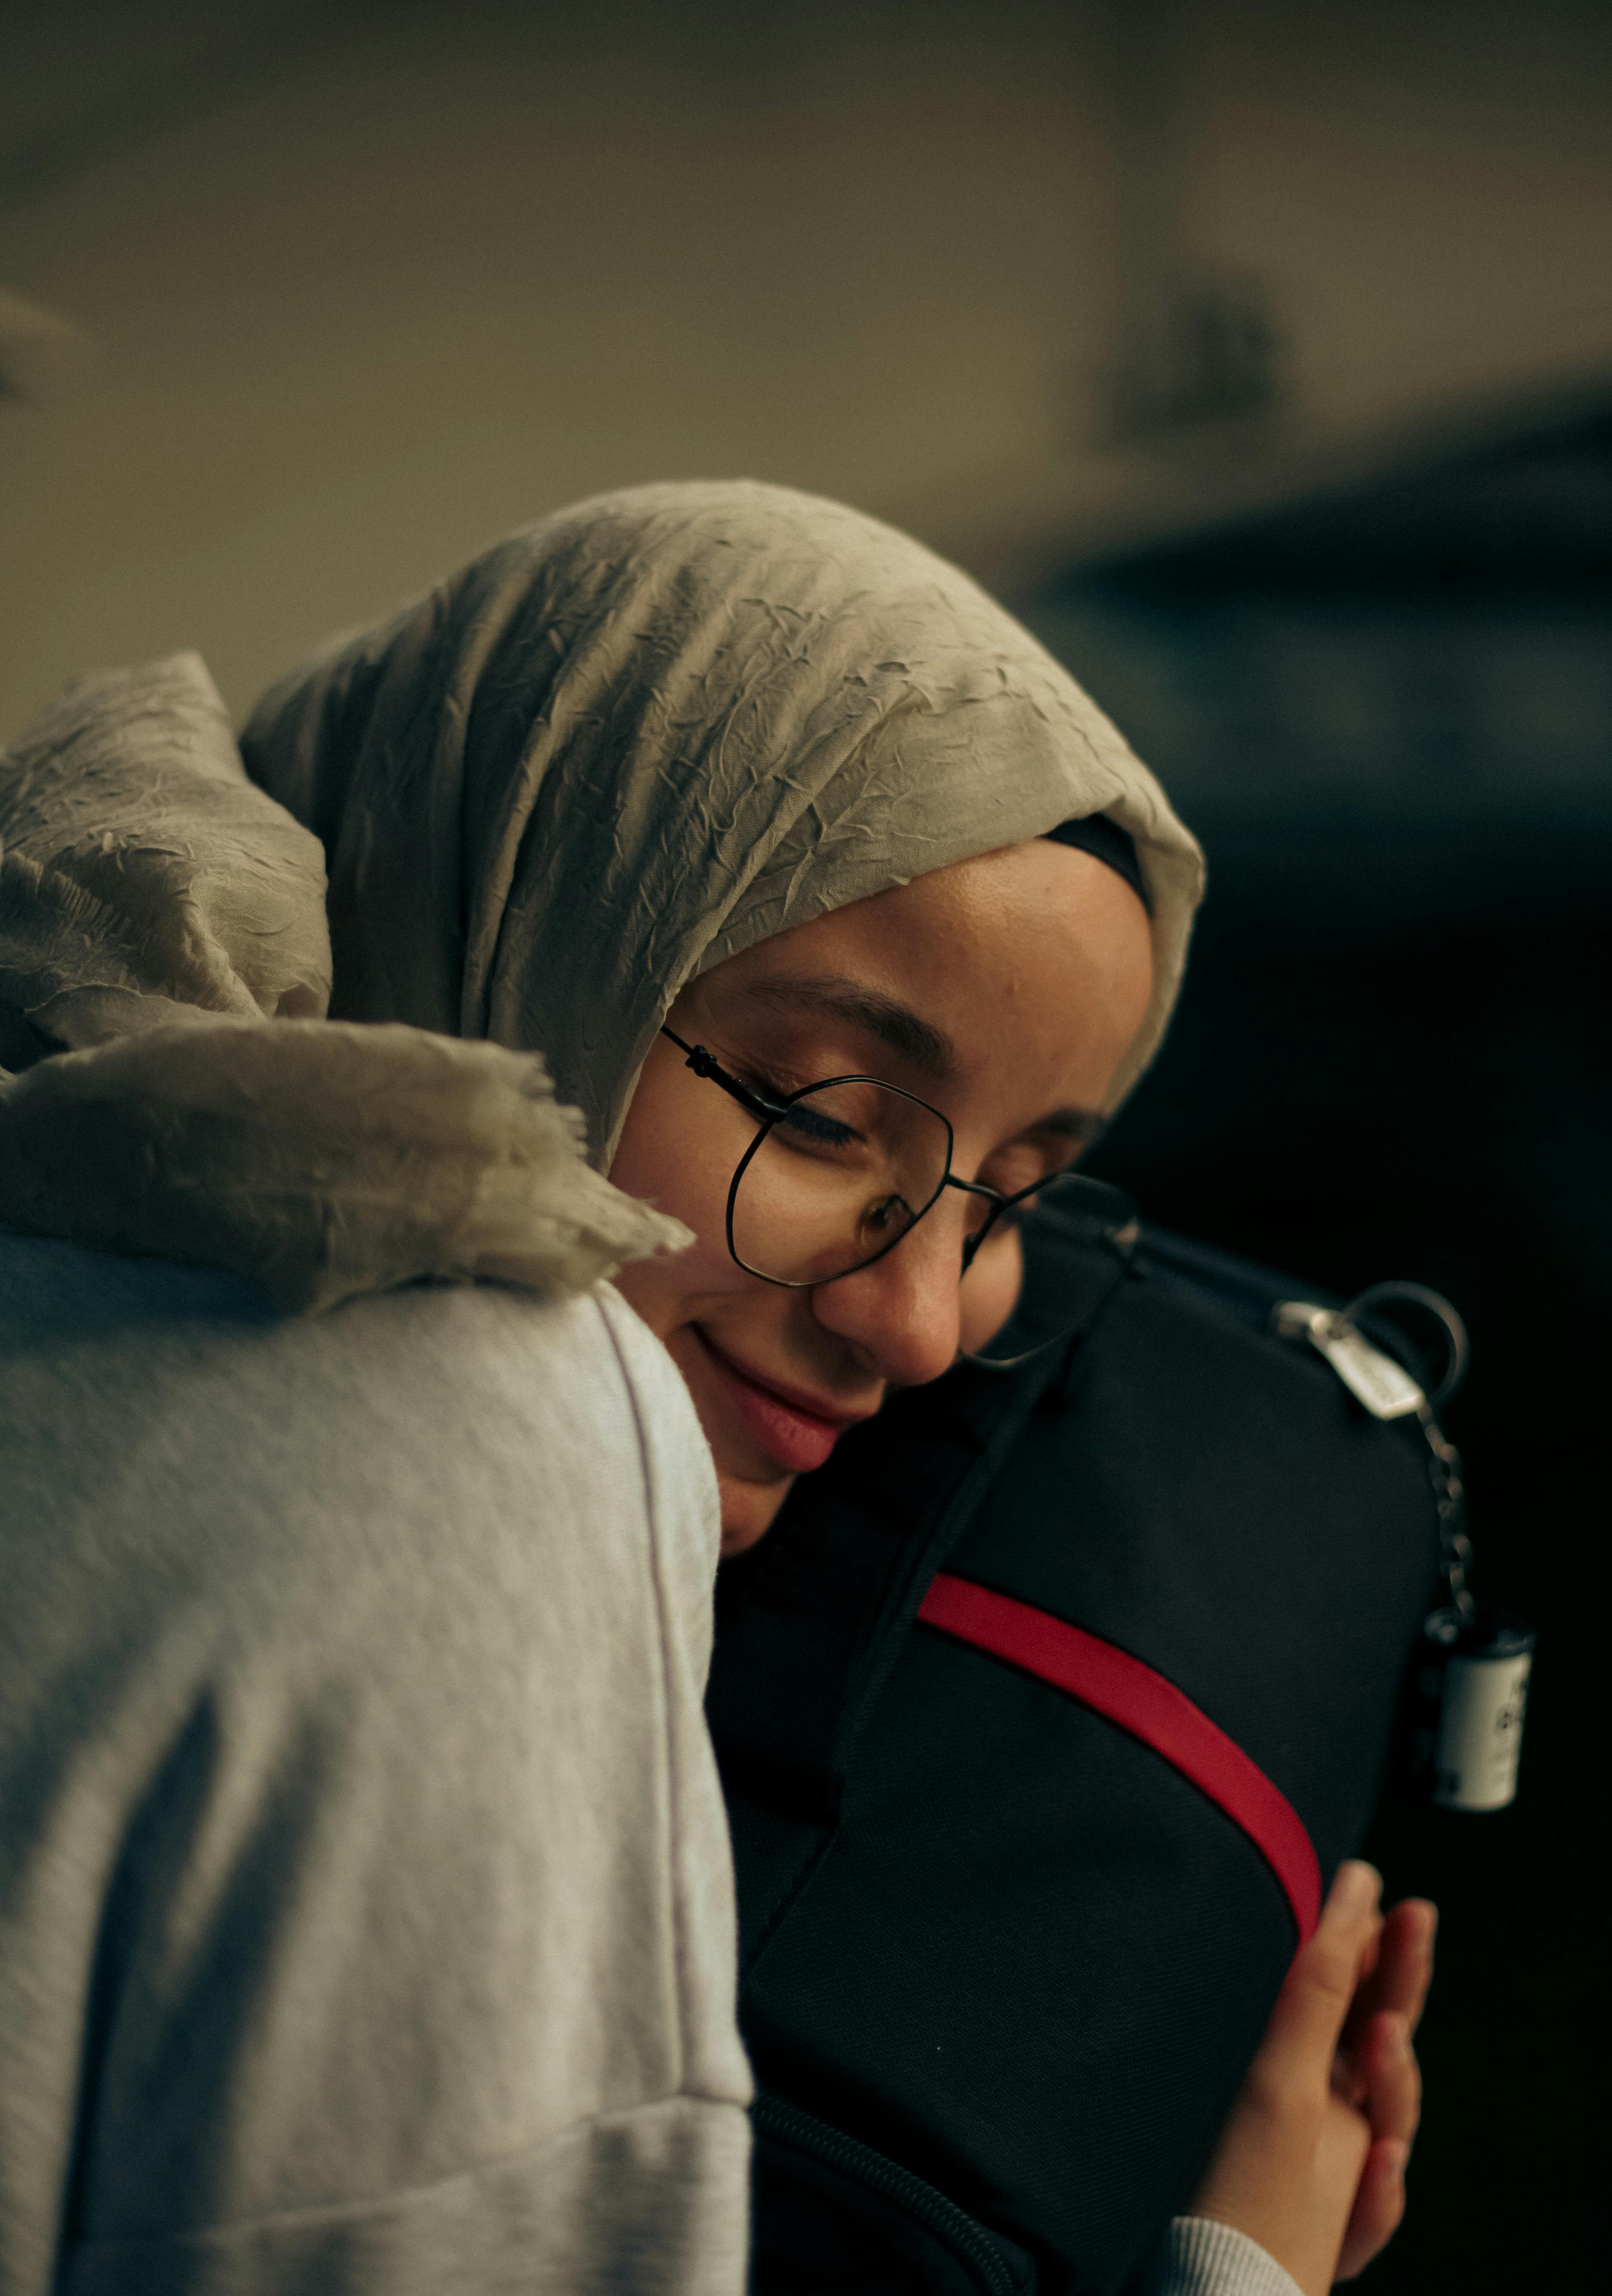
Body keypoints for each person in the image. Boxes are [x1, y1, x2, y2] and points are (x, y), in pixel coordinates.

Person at [0, 480, 1431, 2295]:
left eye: (1023, 1199)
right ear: (531, 908)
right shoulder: (467, 1426)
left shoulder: (66, 1195)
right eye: (822, 1115)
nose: (918, 1322)